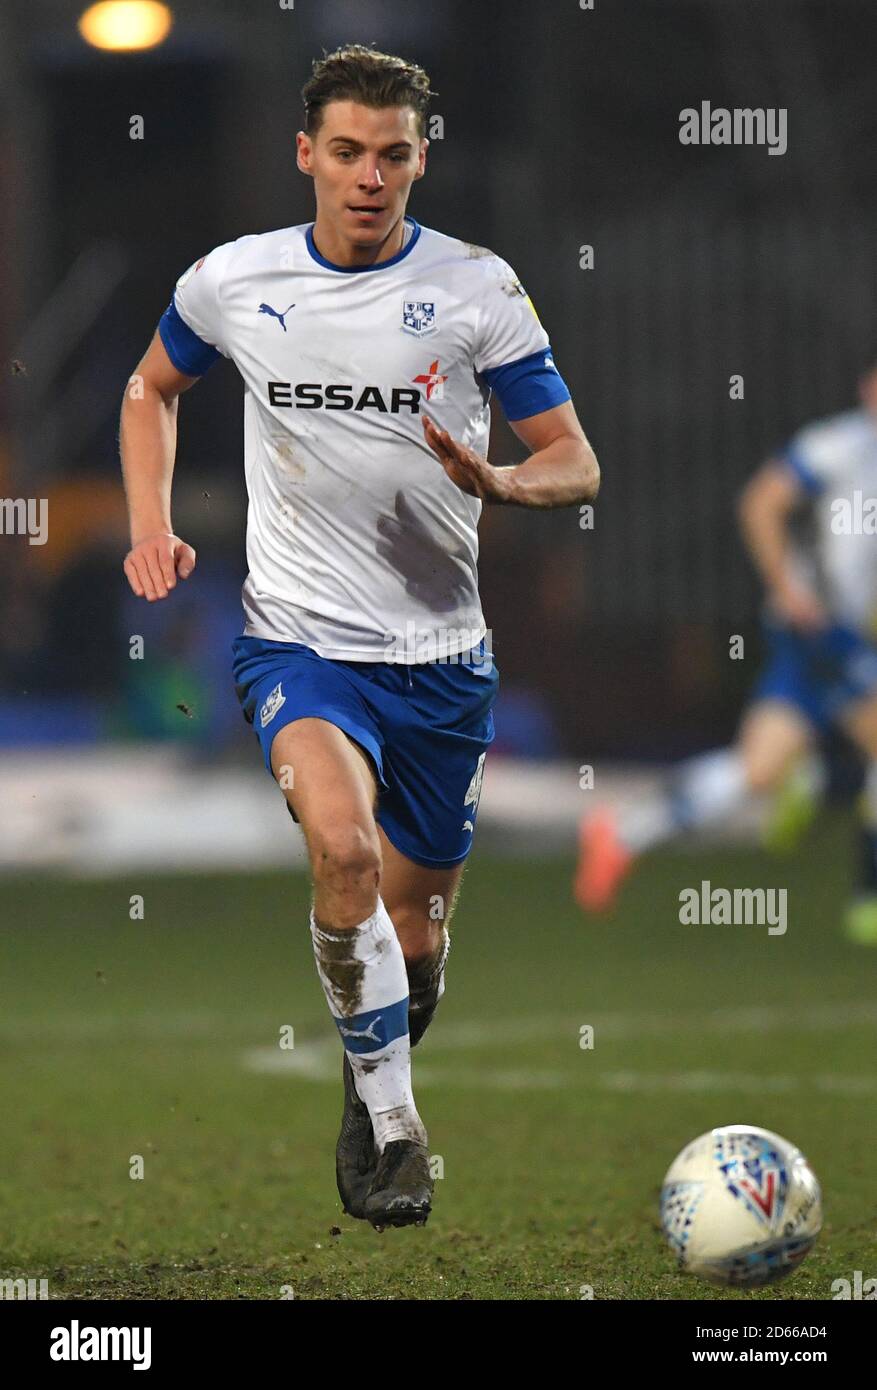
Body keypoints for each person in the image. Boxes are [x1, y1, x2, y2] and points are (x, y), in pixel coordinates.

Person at [120, 44, 599, 1230]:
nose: (369, 176)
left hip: (441, 660)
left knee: (412, 931)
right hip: (298, 643)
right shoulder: (237, 280)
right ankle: (394, 1127)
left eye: (392, 155)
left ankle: (365, 1053)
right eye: (346, 152)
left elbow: (575, 462)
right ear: (307, 155)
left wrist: (499, 479)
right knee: (342, 855)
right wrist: (149, 524)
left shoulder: (478, 288)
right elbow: (149, 390)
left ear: (419, 159)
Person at [577, 364, 877, 945]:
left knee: (757, 770)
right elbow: (760, 503)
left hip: (845, 636)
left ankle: (622, 831)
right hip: (817, 630)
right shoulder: (838, 444)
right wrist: (792, 595)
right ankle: (861, 881)